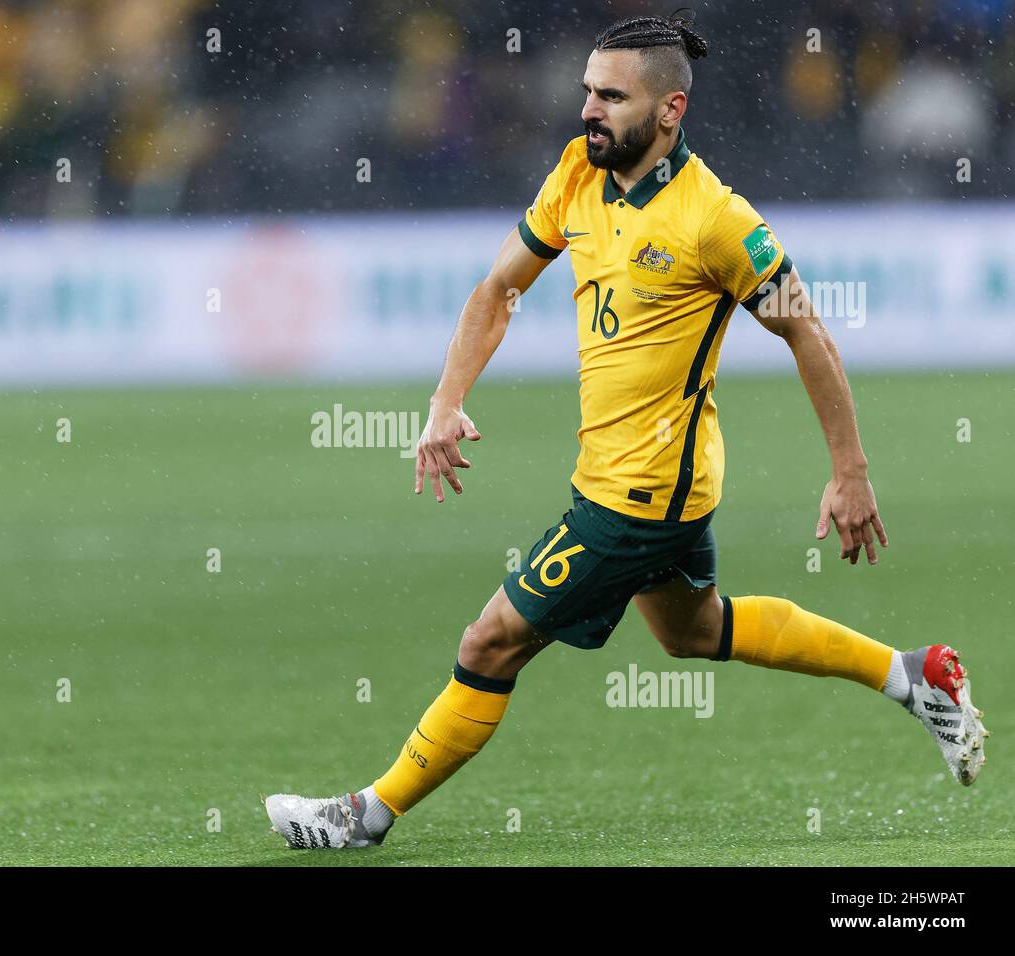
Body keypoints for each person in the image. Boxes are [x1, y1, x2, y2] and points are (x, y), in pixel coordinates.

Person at [264, 12, 988, 850]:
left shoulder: (716, 220)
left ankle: (364, 816)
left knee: (492, 640)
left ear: (670, 109)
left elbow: (807, 332)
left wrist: (849, 469)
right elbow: (499, 288)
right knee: (693, 630)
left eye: (611, 95)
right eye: (586, 92)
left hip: (640, 498)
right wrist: (446, 399)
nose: (589, 109)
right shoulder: (577, 174)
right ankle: (913, 675)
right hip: (638, 476)